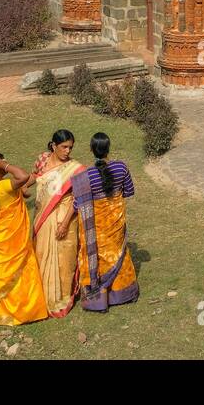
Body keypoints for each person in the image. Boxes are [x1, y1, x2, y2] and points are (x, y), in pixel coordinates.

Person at [0, 153, 49, 326]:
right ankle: (26, 312)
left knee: (1, 276)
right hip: (14, 244)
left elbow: (26, 182)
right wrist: (4, 165)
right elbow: (22, 176)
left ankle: (2, 314)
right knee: (22, 274)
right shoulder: (4, 186)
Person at [71, 132, 139, 312]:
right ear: (109, 149)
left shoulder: (86, 176)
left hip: (96, 228)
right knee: (118, 255)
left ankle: (98, 301)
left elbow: (77, 205)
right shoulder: (121, 168)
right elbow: (129, 192)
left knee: (97, 258)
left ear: (91, 150)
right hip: (116, 223)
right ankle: (123, 294)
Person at [32, 130, 86, 318]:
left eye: (70, 147)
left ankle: (61, 299)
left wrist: (64, 224)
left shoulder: (76, 169)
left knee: (64, 258)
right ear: (53, 146)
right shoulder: (43, 160)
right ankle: (43, 298)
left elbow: (78, 197)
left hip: (66, 218)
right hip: (43, 217)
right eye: (63, 147)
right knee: (41, 254)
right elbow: (35, 177)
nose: (67, 151)